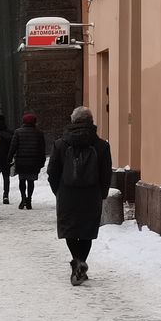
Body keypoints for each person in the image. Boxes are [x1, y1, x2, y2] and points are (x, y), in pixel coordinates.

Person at [45, 106, 113, 285]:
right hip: (91, 194)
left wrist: (58, 190)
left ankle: (77, 261)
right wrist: (102, 193)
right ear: (91, 122)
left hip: (67, 194)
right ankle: (81, 261)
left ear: (73, 121)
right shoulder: (102, 145)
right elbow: (106, 173)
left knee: (69, 229)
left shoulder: (60, 144)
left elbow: (52, 171)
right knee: (86, 231)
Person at [11, 113, 48, 209]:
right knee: (30, 181)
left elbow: (13, 147)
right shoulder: (39, 133)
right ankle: (29, 199)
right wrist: (42, 161)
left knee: (22, 180)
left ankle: (23, 198)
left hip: (21, 160)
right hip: (33, 161)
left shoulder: (18, 132)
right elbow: (42, 148)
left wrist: (9, 158)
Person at [0, 113, 15, 205]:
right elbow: (12, 146)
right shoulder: (9, 132)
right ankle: (6, 195)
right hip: (6, 157)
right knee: (6, 177)